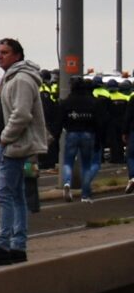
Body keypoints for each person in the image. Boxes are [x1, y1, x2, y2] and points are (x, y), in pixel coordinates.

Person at [0, 37, 48, 265]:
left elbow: (22, 113)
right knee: (17, 195)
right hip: (14, 144)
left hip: (14, 145)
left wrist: (4, 138)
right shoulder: (13, 77)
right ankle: (17, 245)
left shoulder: (21, 79)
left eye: (4, 52)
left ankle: (3, 244)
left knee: (4, 194)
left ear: (17, 55)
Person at [59, 74, 102, 202]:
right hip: (88, 134)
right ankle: (85, 195)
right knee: (86, 165)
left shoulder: (66, 102)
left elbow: (61, 120)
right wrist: (98, 139)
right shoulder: (92, 102)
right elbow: (98, 122)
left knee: (68, 162)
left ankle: (67, 183)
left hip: (71, 133)